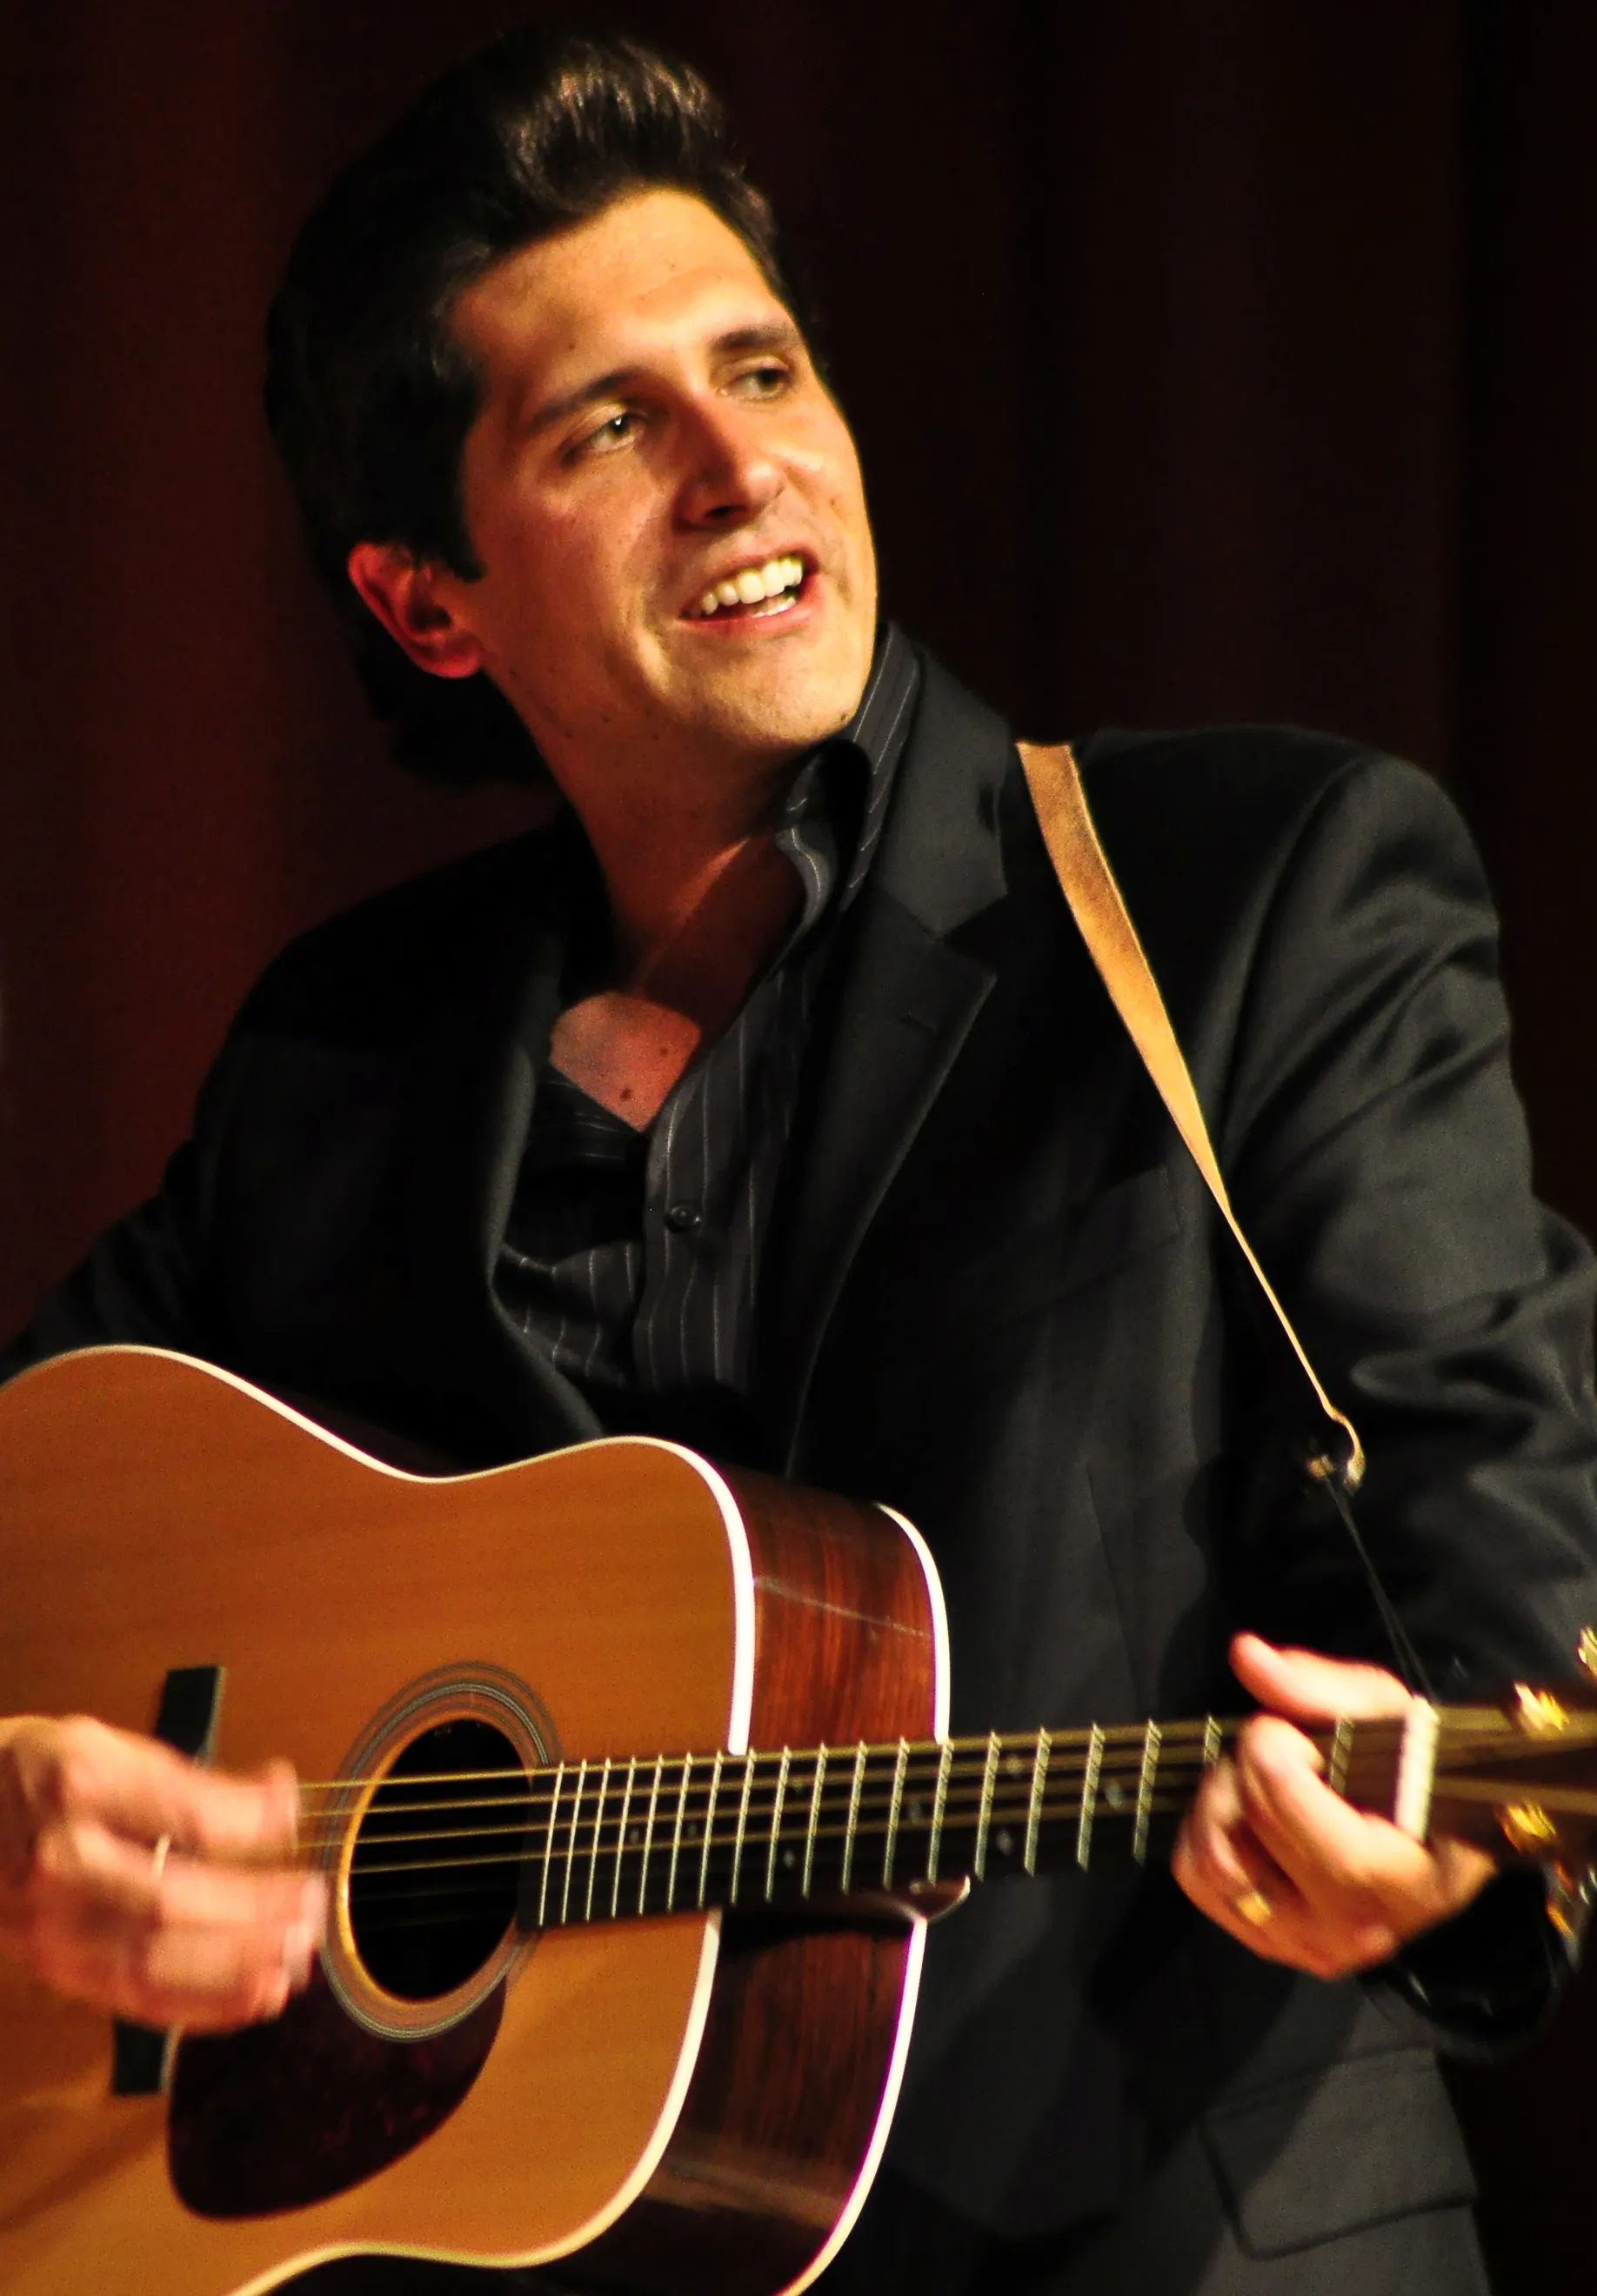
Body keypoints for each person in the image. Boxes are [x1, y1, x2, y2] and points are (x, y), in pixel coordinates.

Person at [3, 27, 1595, 2294]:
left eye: (761, 371)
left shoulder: (1247, 890)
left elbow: (1487, 1496)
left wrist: (1445, 1837)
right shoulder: (341, 1063)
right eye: (609, 424)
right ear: (428, 600)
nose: (741, 466)